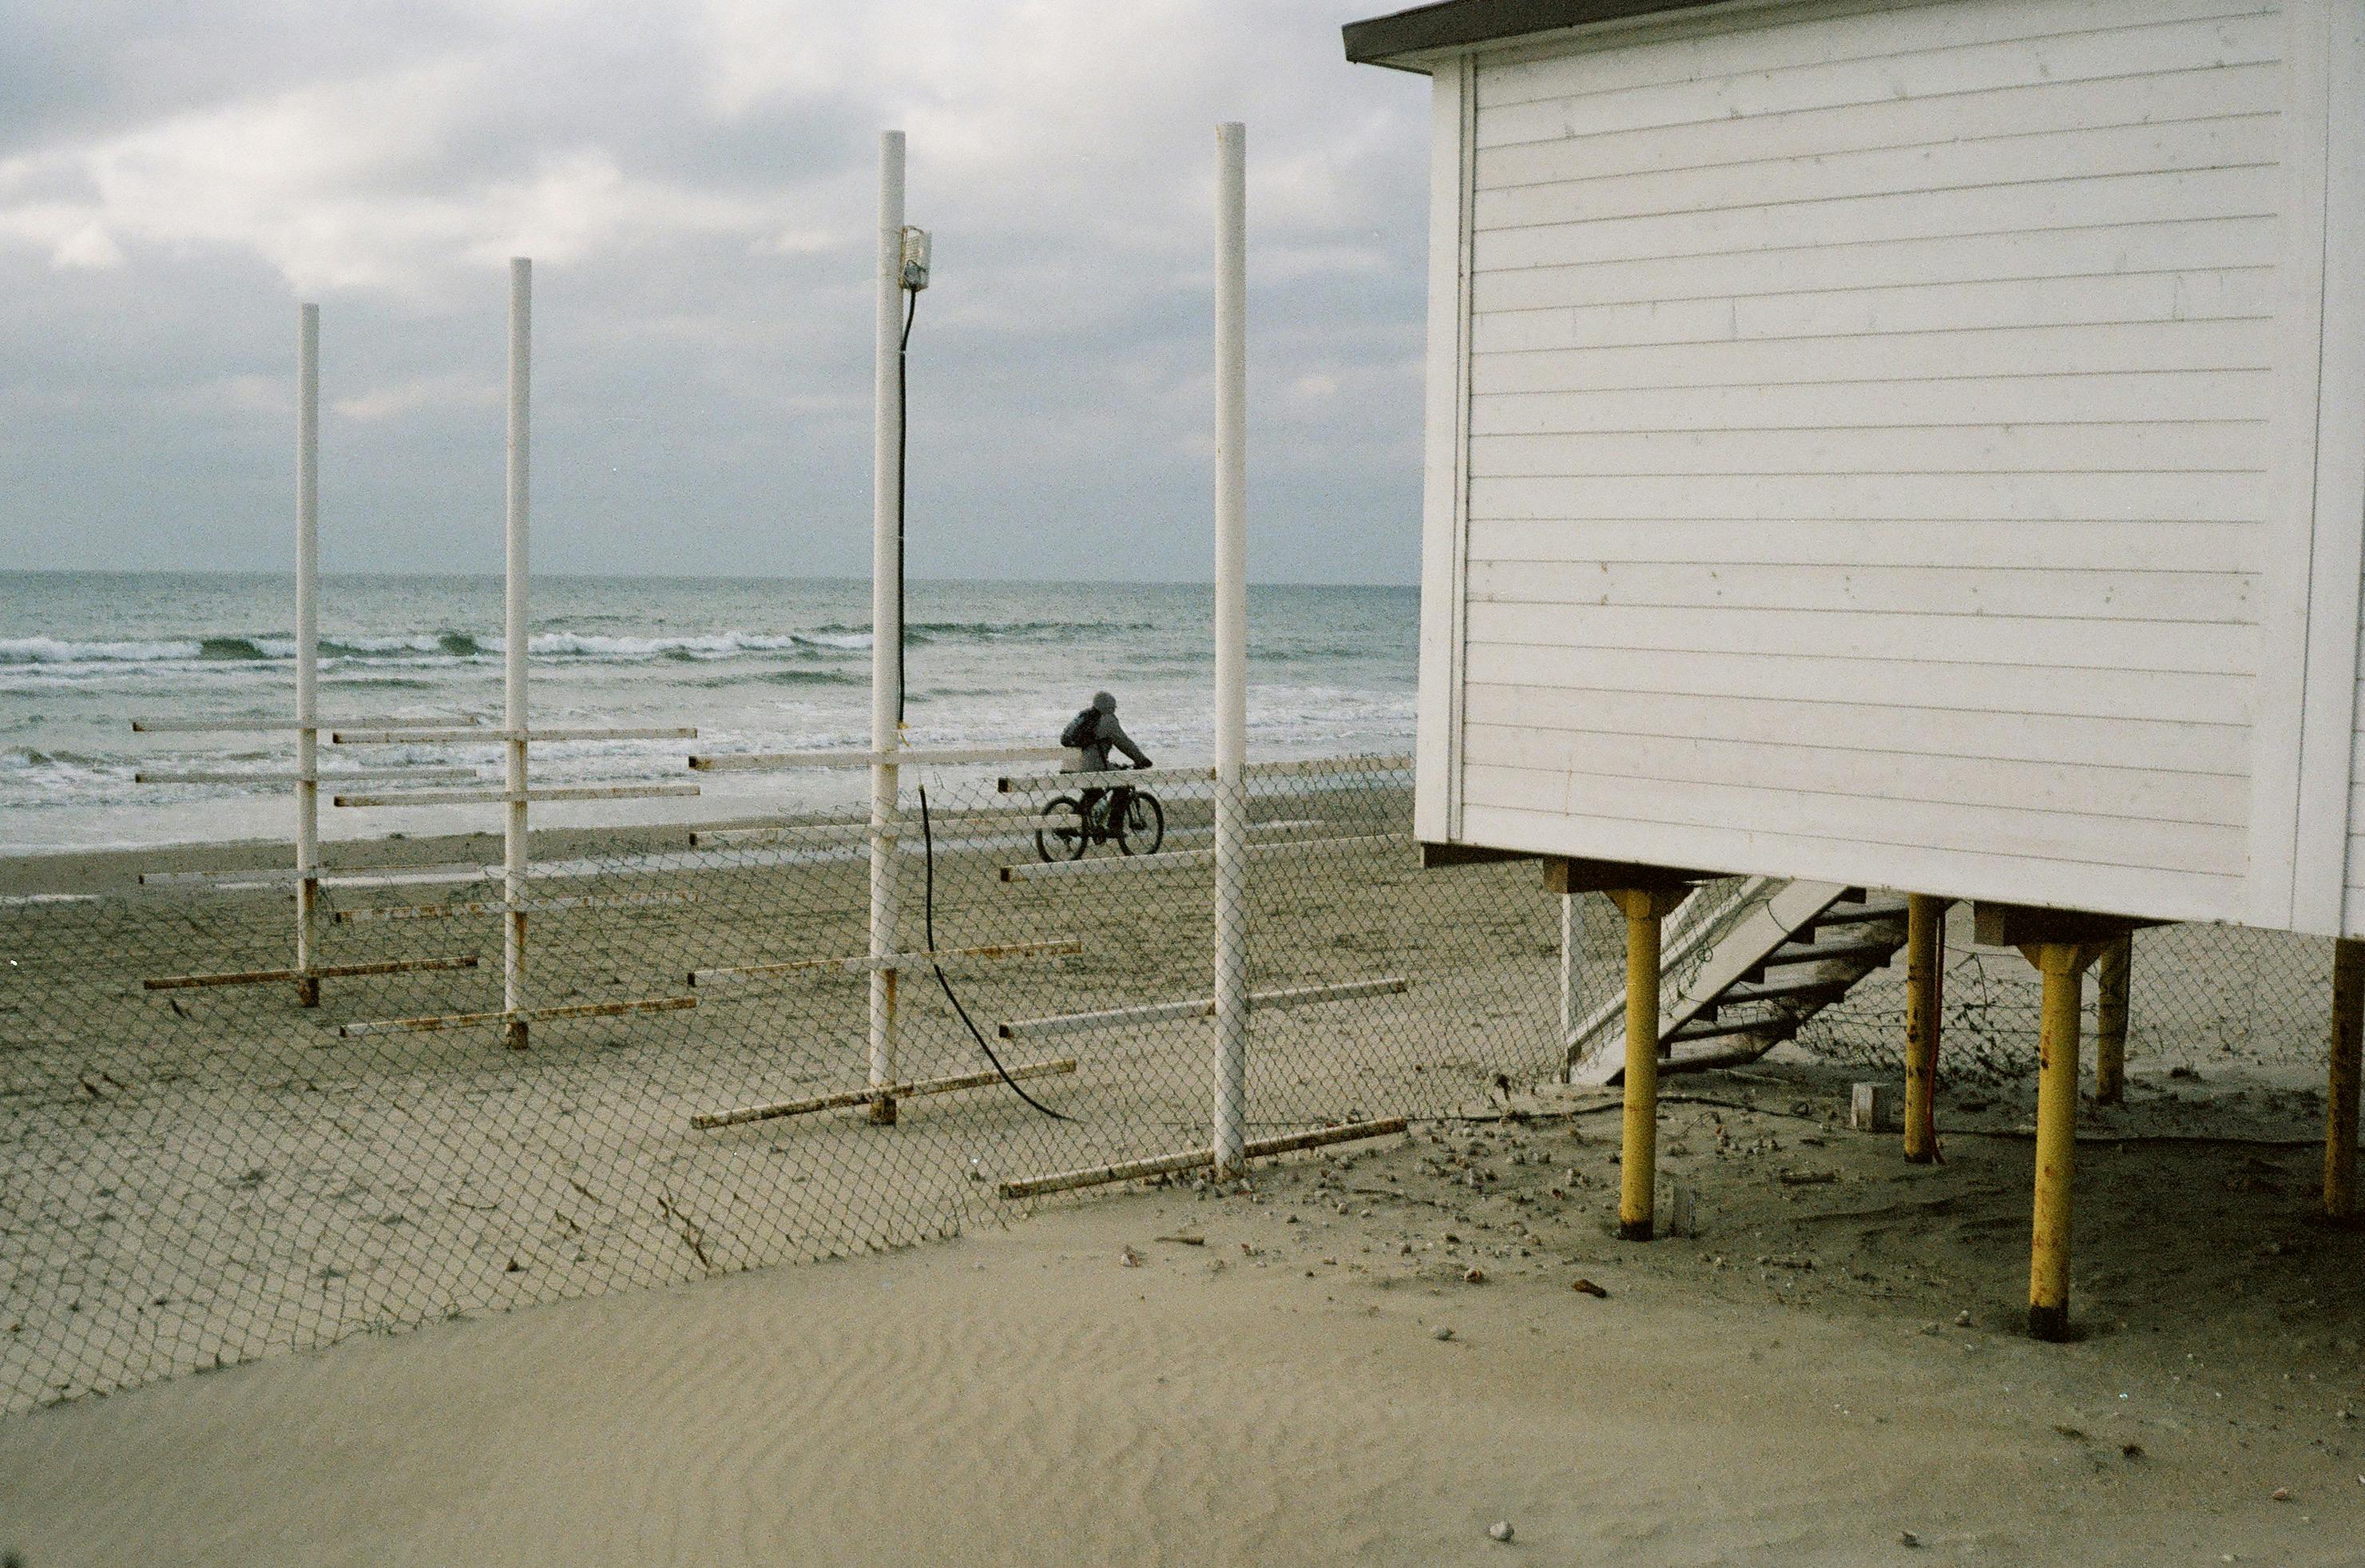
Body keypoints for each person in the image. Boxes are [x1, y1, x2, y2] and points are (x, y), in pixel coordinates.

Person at [1060, 690, 1151, 840]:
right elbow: (1124, 742)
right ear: (1108, 706)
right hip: (1092, 767)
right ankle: (1114, 827)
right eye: (1113, 706)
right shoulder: (1107, 720)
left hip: (1069, 766)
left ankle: (1068, 824)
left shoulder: (1084, 717)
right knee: (1123, 784)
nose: (1115, 709)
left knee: (1093, 793)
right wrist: (1141, 760)